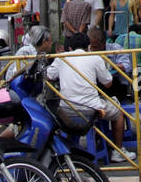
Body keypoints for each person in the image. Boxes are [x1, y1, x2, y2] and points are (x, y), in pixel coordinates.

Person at [48, 30, 135, 163]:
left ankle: (71, 153)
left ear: (70, 47)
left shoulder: (61, 57)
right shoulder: (95, 57)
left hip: (66, 108)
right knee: (118, 112)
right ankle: (118, 151)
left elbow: (49, 76)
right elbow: (108, 83)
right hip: (91, 108)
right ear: (88, 46)